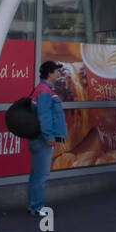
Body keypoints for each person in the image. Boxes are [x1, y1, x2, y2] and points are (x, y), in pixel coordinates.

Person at [28, 61, 67, 216]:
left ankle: (33, 204)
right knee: (41, 174)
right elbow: (45, 117)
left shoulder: (43, 89)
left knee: (36, 173)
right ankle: (37, 207)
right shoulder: (45, 91)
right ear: (50, 73)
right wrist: (49, 136)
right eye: (57, 71)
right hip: (42, 139)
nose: (59, 73)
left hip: (38, 138)